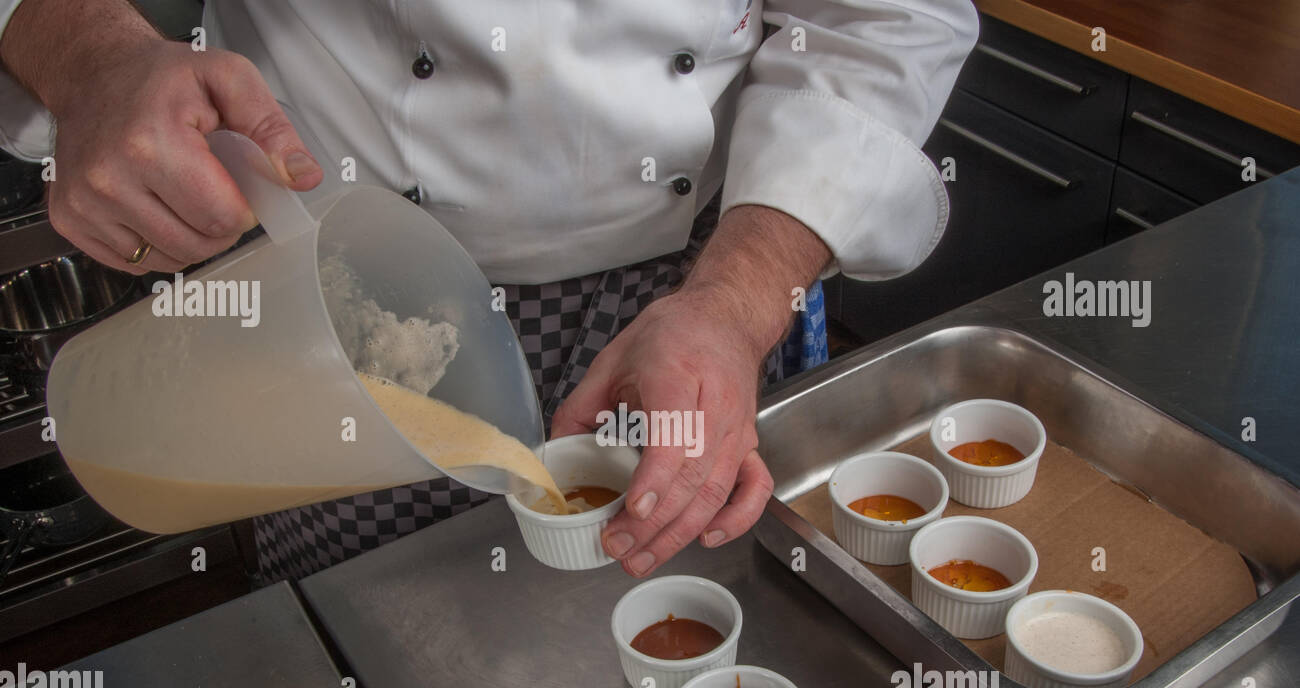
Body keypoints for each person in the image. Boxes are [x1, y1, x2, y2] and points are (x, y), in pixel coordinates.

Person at [0, 0, 978, 583]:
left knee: (704, 600)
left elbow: (887, 18)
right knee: (371, 639)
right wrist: (90, 54)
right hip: (335, 307)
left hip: (702, 289)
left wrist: (736, 304)